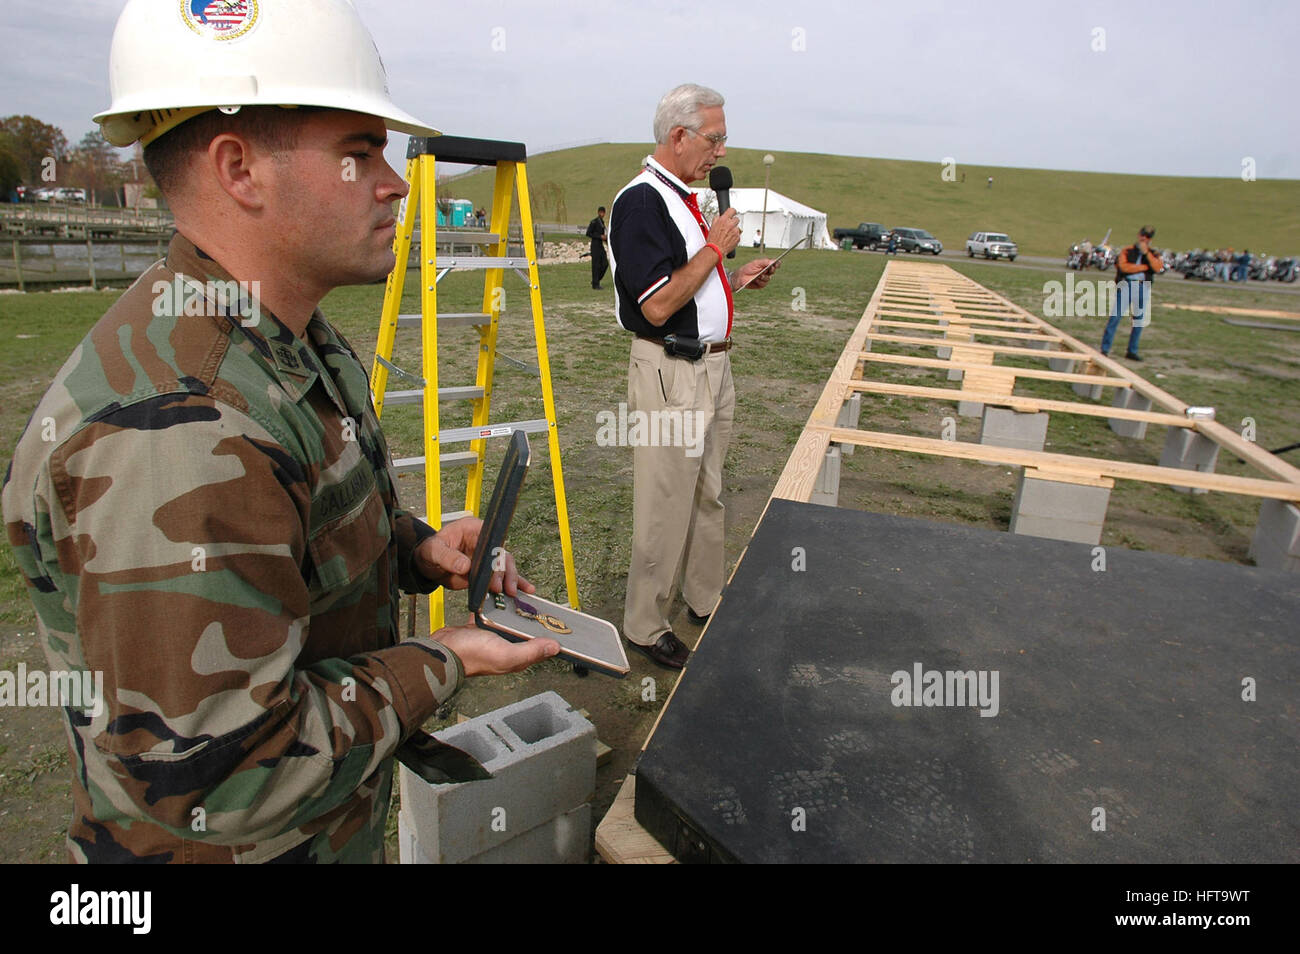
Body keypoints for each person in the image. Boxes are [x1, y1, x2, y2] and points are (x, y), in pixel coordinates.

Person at [0, 0, 557, 864]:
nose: (395, 181)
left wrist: (414, 549)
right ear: (239, 170)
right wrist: (442, 661)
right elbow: (226, 773)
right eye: (357, 151)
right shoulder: (176, 424)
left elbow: (284, 524)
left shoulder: (279, 333)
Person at [607, 83, 778, 670]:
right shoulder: (641, 202)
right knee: (665, 500)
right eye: (714, 138)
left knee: (709, 491)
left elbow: (693, 285)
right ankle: (645, 624)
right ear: (678, 136)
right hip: (670, 370)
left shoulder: (685, 198)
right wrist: (714, 248)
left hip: (713, 364)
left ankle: (705, 599)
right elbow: (656, 305)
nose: (721, 150)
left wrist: (736, 276)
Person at [1100, 226, 1164, 361]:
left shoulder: (1153, 253)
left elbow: (1158, 267)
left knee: (1138, 321)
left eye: (1148, 237)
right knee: (1115, 317)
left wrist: (1147, 254)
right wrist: (1145, 267)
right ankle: (1105, 348)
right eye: (1143, 235)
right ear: (1138, 235)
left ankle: (1132, 350)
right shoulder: (1127, 250)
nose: (1144, 239)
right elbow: (1124, 267)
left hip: (1143, 287)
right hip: (1127, 285)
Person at [586, 206, 608, 289]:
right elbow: (588, 233)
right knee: (596, 265)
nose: (602, 214)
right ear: (598, 213)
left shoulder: (602, 222)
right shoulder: (594, 222)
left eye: (603, 213)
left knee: (605, 264)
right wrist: (599, 236)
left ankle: (596, 279)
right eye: (601, 212)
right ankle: (595, 284)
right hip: (595, 246)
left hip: (600, 246)